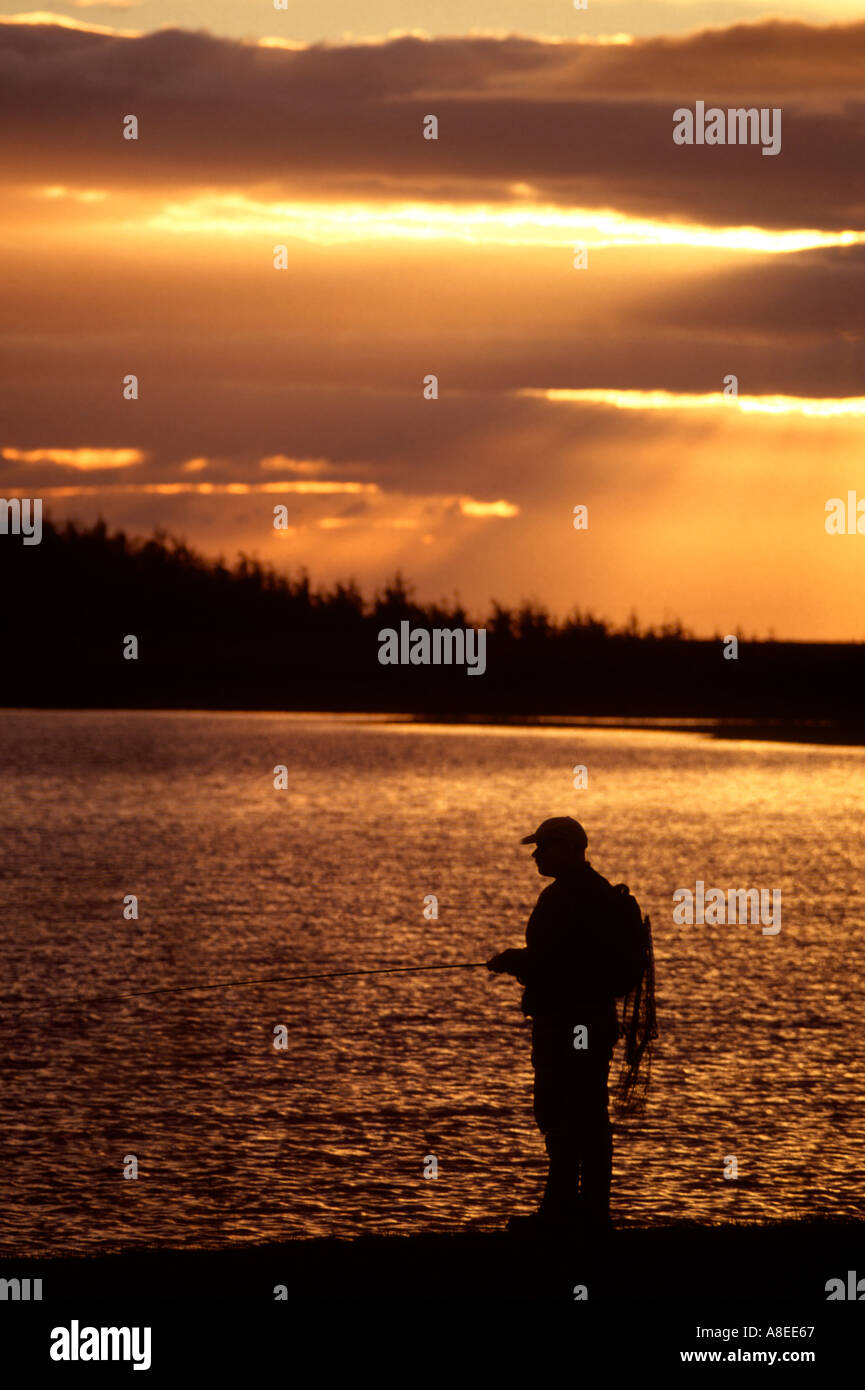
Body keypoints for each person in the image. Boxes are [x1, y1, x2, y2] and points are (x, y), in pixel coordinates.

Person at [488, 817, 641, 1236]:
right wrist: (521, 961)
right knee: (587, 1114)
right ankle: (587, 1214)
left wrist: (514, 961)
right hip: (592, 1022)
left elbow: (559, 963)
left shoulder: (566, 897)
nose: (536, 854)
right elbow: (569, 960)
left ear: (570, 849)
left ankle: (564, 1215)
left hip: (567, 1023)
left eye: (544, 847)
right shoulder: (597, 893)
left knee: (561, 1113)